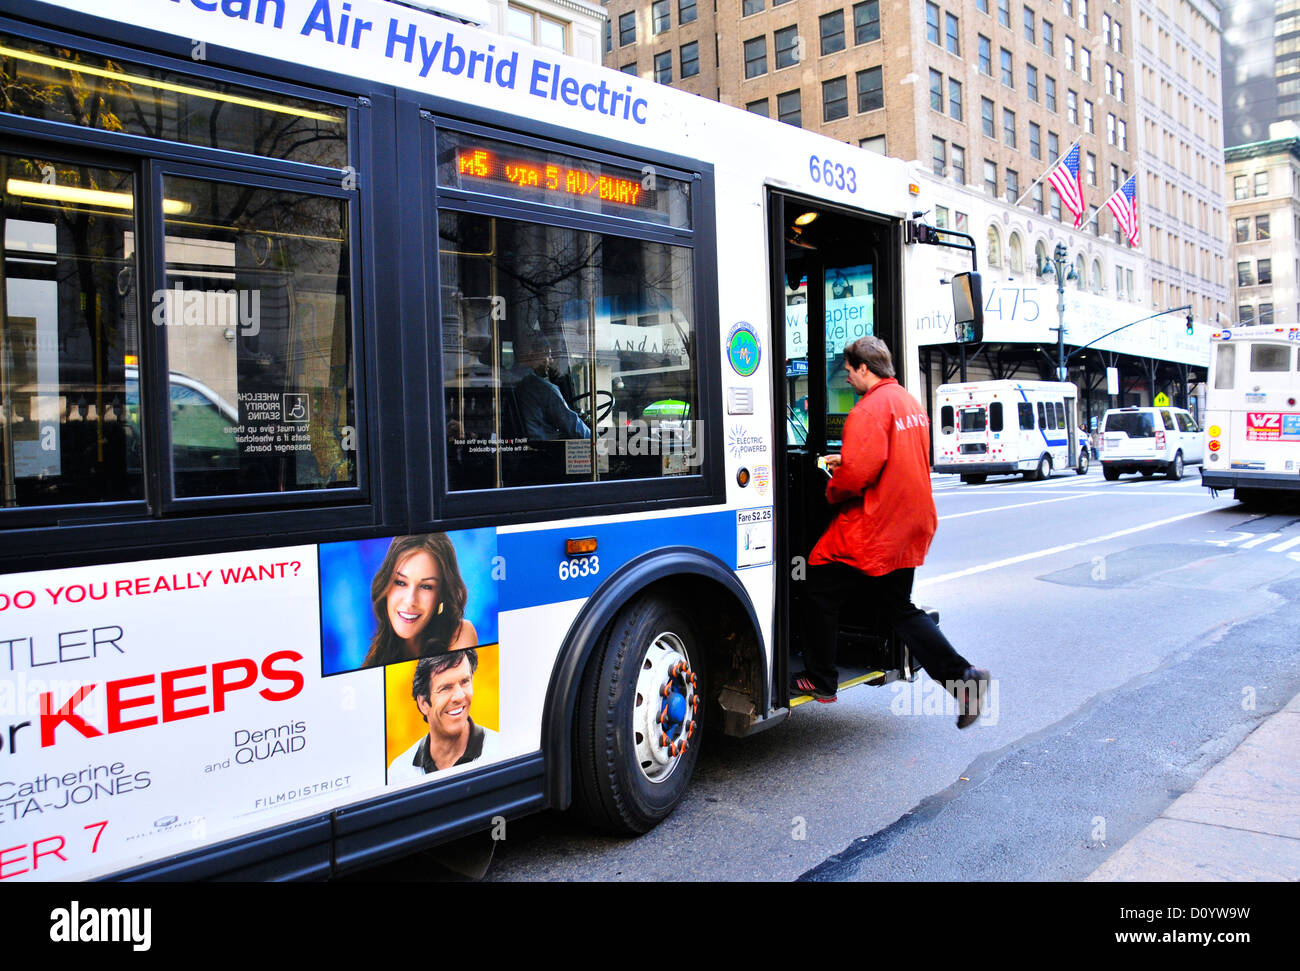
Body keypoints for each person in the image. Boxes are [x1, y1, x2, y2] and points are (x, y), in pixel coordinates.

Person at [791, 336, 990, 729]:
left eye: (848, 370)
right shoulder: (907, 403)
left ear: (865, 368)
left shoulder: (867, 410)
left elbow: (857, 478)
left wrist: (833, 482)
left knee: (818, 585)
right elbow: (893, 456)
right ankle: (964, 680)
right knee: (897, 608)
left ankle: (821, 679)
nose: (846, 377)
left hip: (876, 526)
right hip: (910, 522)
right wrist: (848, 458)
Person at [361, 534, 477, 669]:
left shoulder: (460, 634)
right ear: (385, 584)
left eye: (426, 586)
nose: (410, 601)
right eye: (400, 582)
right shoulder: (377, 653)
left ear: (441, 594)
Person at [388, 649, 500, 781]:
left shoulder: (501, 749)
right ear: (423, 703)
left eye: (465, 682)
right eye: (446, 688)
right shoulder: (399, 772)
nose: (459, 696)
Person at [508, 339, 591, 441]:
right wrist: (599, 443)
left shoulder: (509, 378)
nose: (551, 360)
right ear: (534, 354)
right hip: (544, 449)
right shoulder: (544, 389)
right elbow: (571, 424)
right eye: (548, 354)